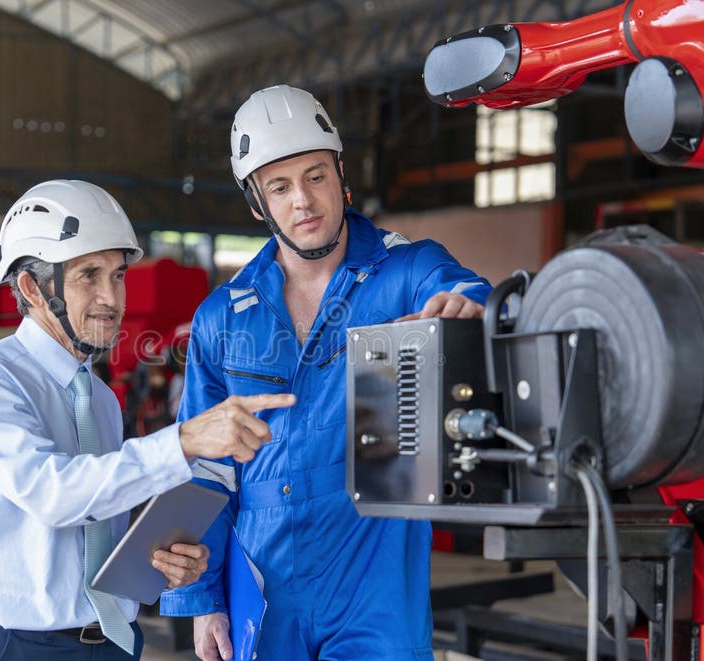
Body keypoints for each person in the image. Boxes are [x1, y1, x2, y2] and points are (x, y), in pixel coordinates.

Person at [159, 85, 492, 661]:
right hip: (263, 582)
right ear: (258, 204)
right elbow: (205, 468)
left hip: (375, 572)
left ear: (341, 175)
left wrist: (469, 308)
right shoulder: (222, 315)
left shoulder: (407, 270)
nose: (304, 201)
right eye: (280, 187)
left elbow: (472, 293)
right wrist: (201, 597)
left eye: (315, 176)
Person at [0, 179, 295, 660]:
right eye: (89, 275)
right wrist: (184, 441)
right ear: (32, 288)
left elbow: (93, 522)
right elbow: (55, 495)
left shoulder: (100, 399)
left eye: (118, 274)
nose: (111, 297)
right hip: (15, 647)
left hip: (112, 642)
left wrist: (159, 561)